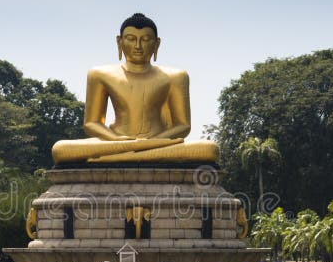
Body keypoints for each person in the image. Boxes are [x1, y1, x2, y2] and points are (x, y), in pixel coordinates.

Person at [51, 13, 219, 164]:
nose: (138, 46)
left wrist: (150, 143)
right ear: (119, 41)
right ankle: (130, 154)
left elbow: (183, 126)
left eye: (145, 39)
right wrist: (118, 141)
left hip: (157, 143)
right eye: (131, 38)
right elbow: (91, 123)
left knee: (208, 149)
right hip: (115, 142)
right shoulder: (99, 74)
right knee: (60, 149)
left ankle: (117, 157)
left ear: (157, 44)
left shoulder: (175, 76)